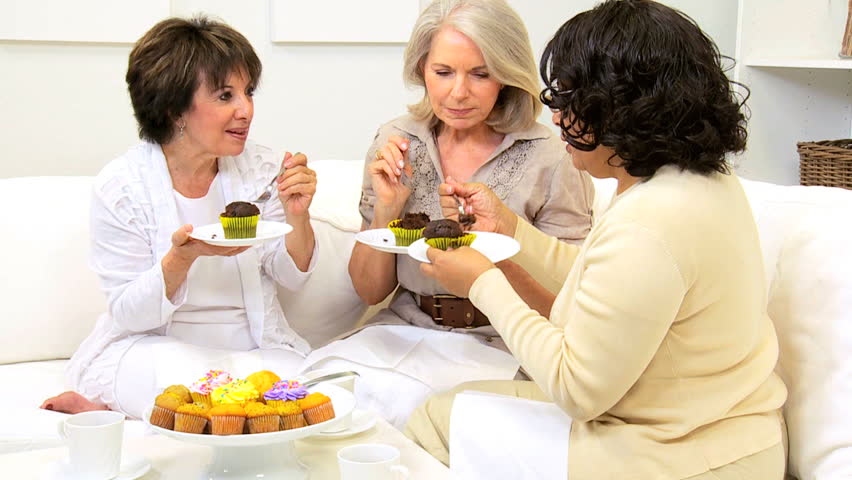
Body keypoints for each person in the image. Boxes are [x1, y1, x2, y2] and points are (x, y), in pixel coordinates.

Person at [408, 1, 788, 479]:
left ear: (622, 108)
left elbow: (577, 389)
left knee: (433, 422)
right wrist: (511, 230)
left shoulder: (652, 223)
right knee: (450, 406)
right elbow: (612, 290)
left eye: (571, 100)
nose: (558, 116)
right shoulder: (696, 182)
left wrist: (482, 283)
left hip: (683, 455)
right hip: (717, 432)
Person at [300, 0, 593, 428]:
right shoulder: (395, 140)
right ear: (421, 70)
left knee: (458, 426)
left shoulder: (552, 157)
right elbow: (368, 291)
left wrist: (491, 254)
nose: (458, 92)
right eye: (443, 73)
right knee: (311, 401)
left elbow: (569, 306)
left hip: (502, 344)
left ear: (508, 76)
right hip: (401, 329)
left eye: (480, 73)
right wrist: (387, 208)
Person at [40, 16, 318, 419]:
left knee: (309, 387)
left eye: (248, 92)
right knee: (185, 383)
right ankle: (143, 406)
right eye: (225, 96)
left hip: (254, 350)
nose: (246, 110)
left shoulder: (265, 169)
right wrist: (180, 259)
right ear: (174, 110)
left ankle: (128, 412)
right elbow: (129, 314)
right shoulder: (121, 187)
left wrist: (299, 217)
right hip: (157, 349)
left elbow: (292, 277)